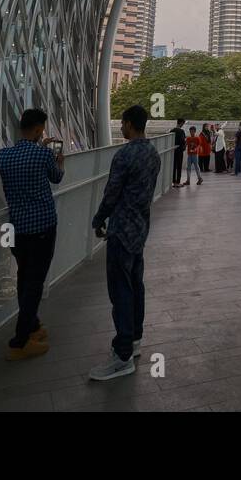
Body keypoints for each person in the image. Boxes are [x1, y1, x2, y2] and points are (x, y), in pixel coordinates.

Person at [88, 104, 160, 381]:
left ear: (130, 124)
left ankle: (122, 356)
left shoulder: (124, 154)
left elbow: (112, 193)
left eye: (122, 123)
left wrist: (98, 219)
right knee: (135, 285)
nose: (120, 127)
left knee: (120, 291)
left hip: (121, 230)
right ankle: (134, 340)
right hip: (140, 230)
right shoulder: (153, 153)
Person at [0, 107, 64, 361]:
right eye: (42, 129)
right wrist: (58, 160)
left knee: (24, 277)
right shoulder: (43, 155)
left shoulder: (3, 156)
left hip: (17, 229)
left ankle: (33, 326)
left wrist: (40, 148)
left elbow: (24, 167)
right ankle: (20, 341)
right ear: (38, 130)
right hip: (42, 228)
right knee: (34, 283)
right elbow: (56, 178)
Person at [171, 117, 186, 189]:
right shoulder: (181, 131)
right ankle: (178, 182)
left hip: (173, 150)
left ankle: (173, 181)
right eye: (183, 123)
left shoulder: (172, 130)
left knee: (173, 166)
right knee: (179, 166)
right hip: (179, 151)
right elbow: (183, 141)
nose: (183, 125)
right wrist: (184, 147)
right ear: (181, 123)